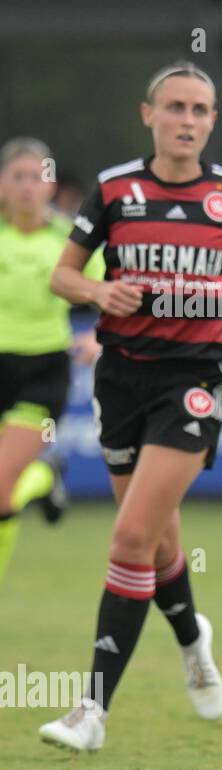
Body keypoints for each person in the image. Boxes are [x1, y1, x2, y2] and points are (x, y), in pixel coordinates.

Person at [40, 61, 222, 751]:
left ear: (212, 121)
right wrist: (96, 294)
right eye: (175, 107)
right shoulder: (116, 189)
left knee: (129, 539)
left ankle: (91, 711)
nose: (187, 120)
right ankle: (192, 640)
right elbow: (63, 275)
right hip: (122, 377)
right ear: (149, 115)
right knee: (159, 539)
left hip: (197, 375)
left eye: (200, 110)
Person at [0, 138, 104, 586]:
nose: (26, 187)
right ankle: (45, 475)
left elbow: (113, 291)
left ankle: (39, 471)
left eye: (36, 176)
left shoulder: (69, 237)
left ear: (51, 185)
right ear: (2, 184)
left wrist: (100, 335)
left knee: (0, 483)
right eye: (17, 176)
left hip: (42, 372)